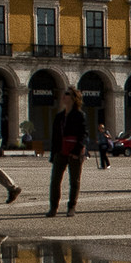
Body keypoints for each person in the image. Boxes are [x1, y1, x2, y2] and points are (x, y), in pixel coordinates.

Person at [48, 86, 88, 217]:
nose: (63, 96)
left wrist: (76, 151)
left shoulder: (80, 115)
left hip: (75, 152)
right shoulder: (59, 116)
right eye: (64, 94)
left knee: (74, 181)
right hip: (60, 151)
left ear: (73, 98)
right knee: (55, 180)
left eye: (67, 94)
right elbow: (55, 137)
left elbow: (83, 135)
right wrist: (53, 154)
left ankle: (72, 206)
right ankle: (53, 207)